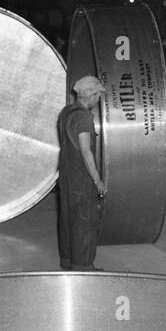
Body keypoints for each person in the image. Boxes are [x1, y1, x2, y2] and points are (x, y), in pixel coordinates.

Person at [56, 75, 107, 271]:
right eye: (98, 95)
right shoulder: (83, 117)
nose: (99, 99)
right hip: (81, 180)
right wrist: (97, 181)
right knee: (84, 223)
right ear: (91, 95)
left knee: (68, 220)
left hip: (67, 177)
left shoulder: (66, 112)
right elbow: (86, 151)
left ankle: (67, 262)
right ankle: (83, 267)